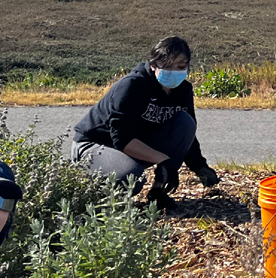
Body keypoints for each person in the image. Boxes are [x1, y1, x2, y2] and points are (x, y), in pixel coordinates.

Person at [71, 36, 220, 209]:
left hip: (134, 145)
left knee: (185, 122)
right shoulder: (132, 86)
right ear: (153, 65)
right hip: (95, 145)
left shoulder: (183, 90)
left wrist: (199, 166)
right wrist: (162, 160)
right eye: (166, 66)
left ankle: (158, 193)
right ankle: (98, 201)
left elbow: (186, 132)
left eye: (180, 66)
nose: (174, 72)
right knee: (131, 178)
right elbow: (122, 139)